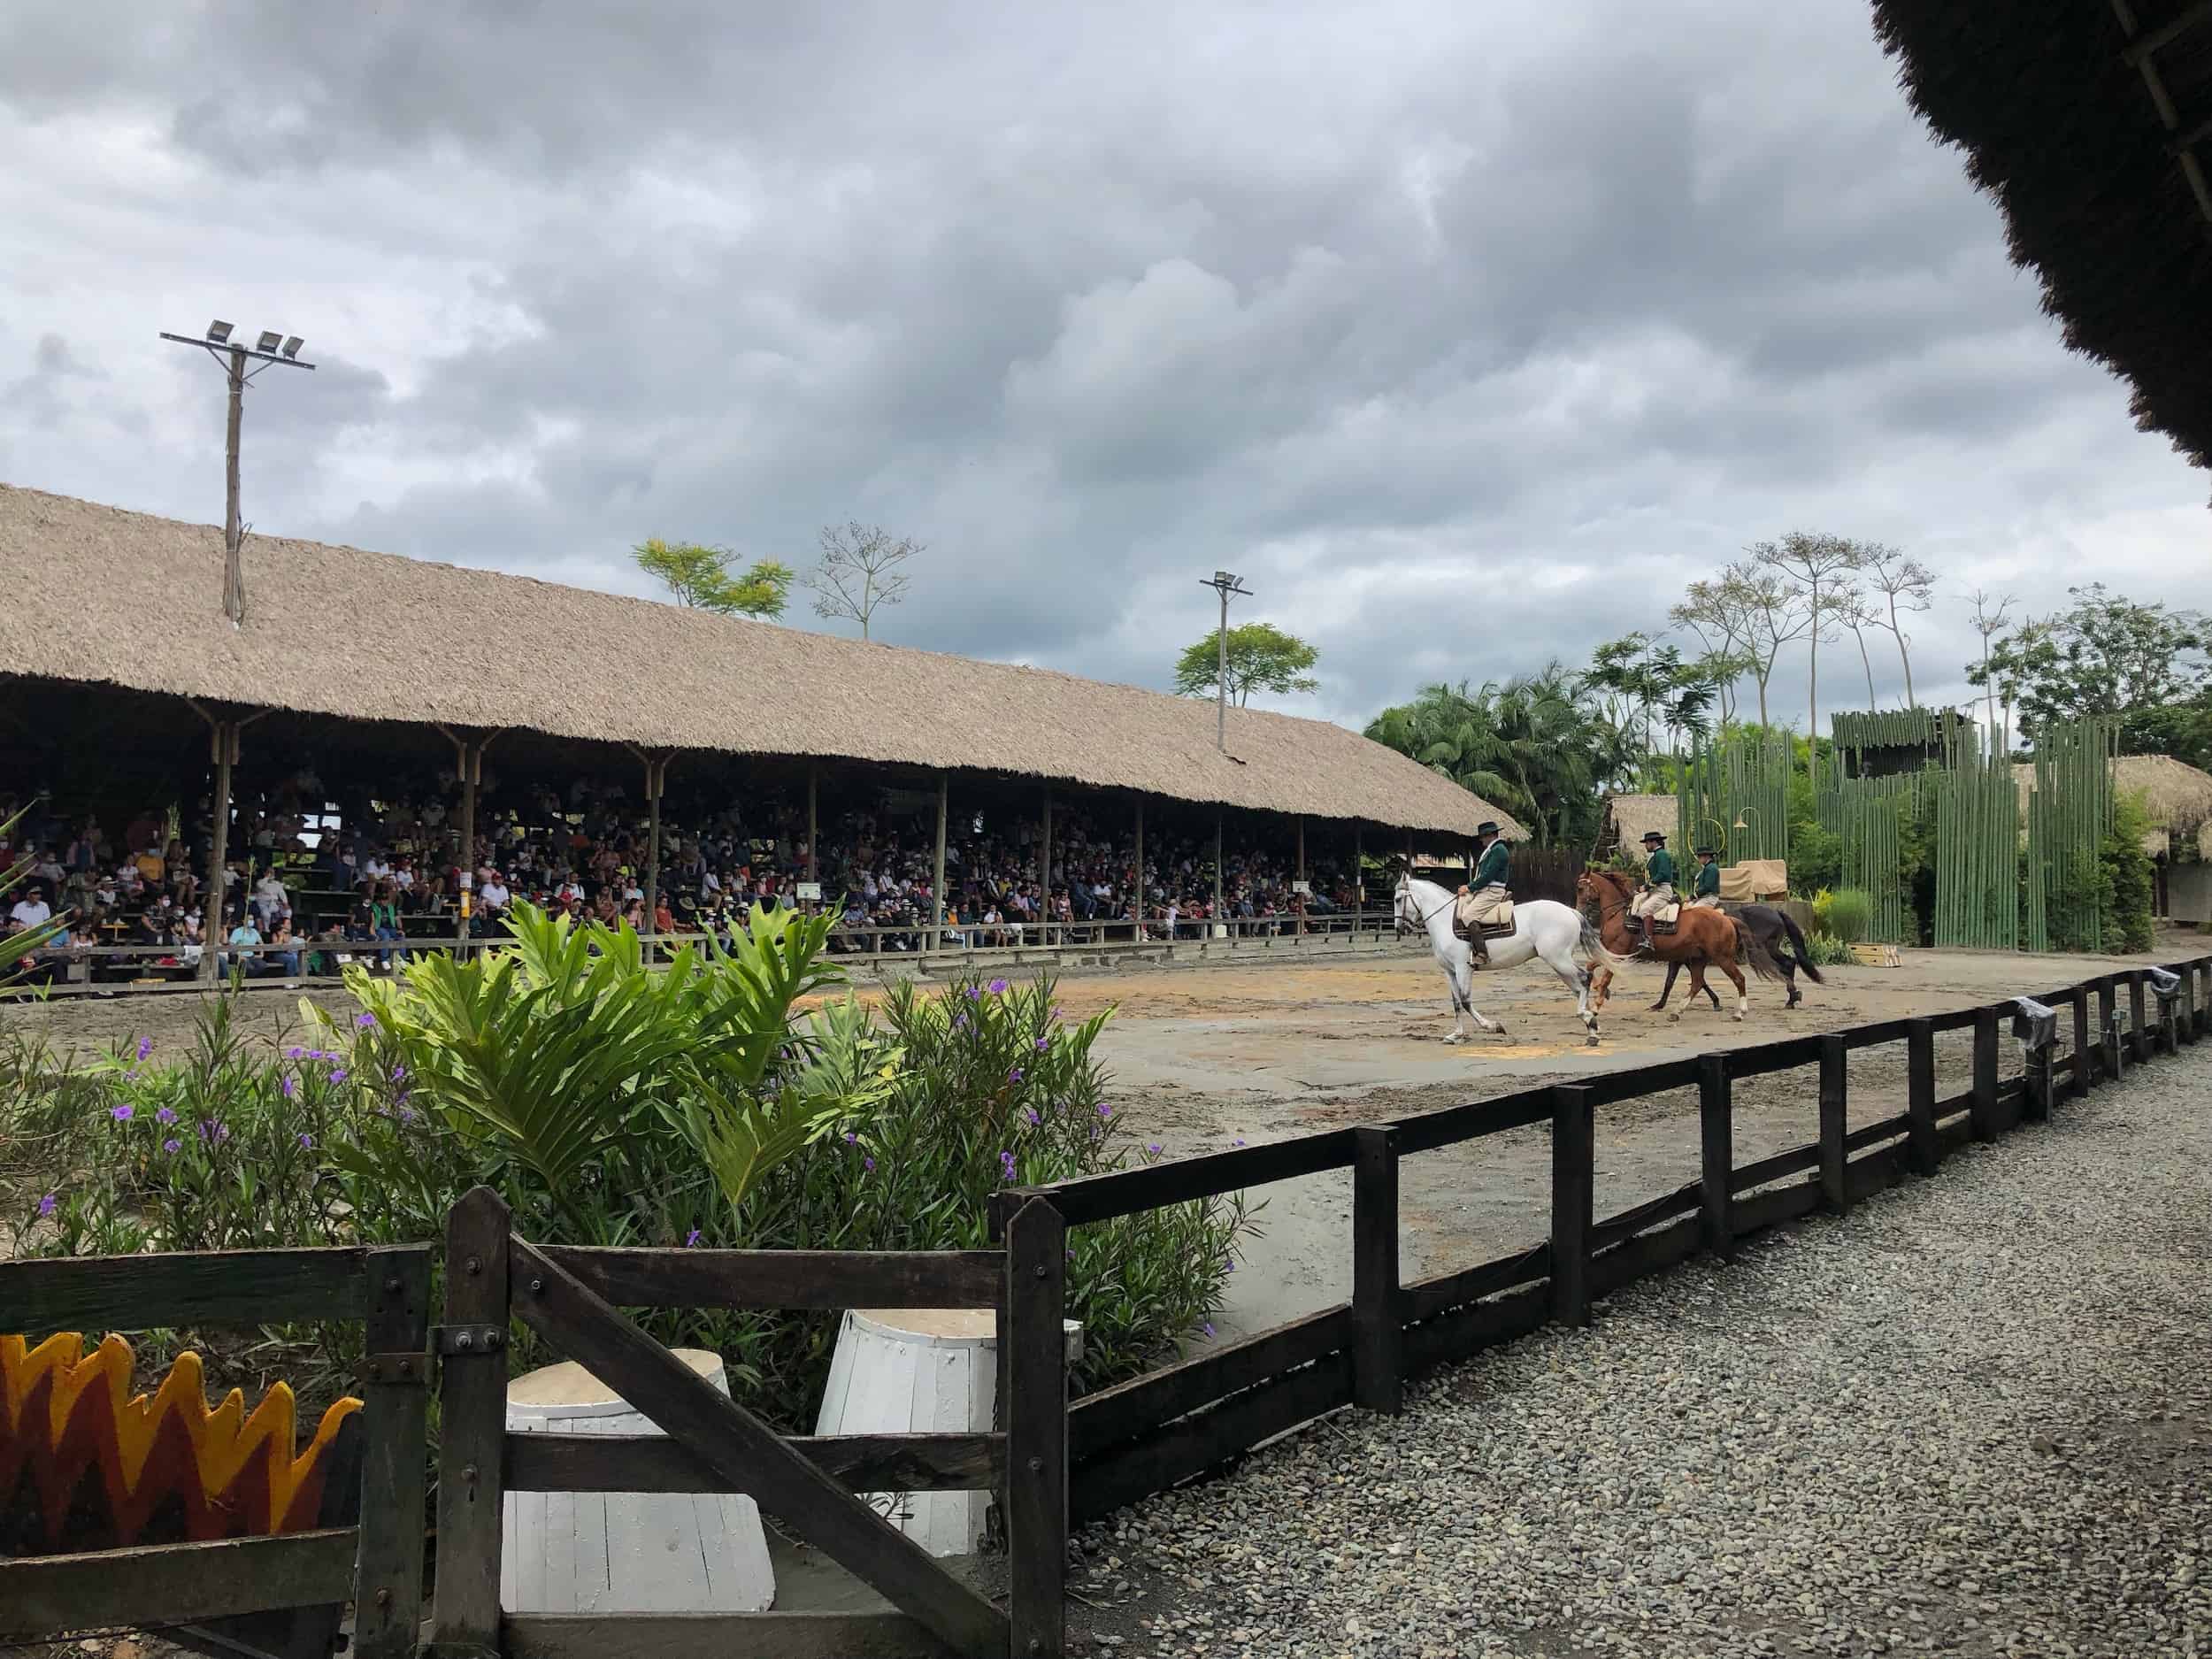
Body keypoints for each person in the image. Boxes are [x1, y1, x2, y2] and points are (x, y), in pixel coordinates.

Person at [1454, 821, 1514, 966]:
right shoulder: (1491, 850)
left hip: (1492, 891)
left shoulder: (1499, 850)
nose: (1481, 840)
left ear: (1490, 835)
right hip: (1484, 890)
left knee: (1468, 915)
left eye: (1482, 837)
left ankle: (1482, 953)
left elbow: (1488, 876)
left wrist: (1469, 888)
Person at [1632, 831, 1678, 933]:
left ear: (1654, 842)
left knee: (1644, 911)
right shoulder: (1656, 855)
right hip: (1655, 890)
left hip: (1662, 891)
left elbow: (1663, 874)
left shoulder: (1661, 854)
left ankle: (1647, 941)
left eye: (1647, 843)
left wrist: (1647, 886)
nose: (1646, 846)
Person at [1688, 845, 1723, 910]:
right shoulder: (1706, 868)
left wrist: (1692, 896)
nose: (1698, 859)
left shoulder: (1712, 868)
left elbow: (1707, 887)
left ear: (1706, 856)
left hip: (1709, 899)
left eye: (1699, 856)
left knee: (1692, 911)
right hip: (1703, 898)